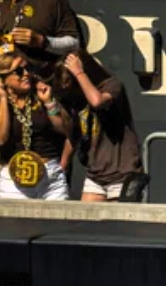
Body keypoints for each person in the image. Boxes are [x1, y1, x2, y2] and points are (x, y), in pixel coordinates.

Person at [0, 50, 70, 199]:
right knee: (15, 223)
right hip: (13, 180)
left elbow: (64, 129)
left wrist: (48, 102)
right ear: (3, 77)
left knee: (57, 222)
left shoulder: (40, 93)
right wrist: (3, 98)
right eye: (19, 71)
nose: (26, 74)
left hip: (50, 178)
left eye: (29, 68)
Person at [61, 51, 143, 202]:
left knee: (121, 224)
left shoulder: (112, 85)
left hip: (123, 173)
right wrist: (63, 165)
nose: (66, 84)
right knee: (86, 222)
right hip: (95, 175)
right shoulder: (77, 100)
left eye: (69, 79)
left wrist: (79, 73)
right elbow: (73, 137)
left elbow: (97, 102)